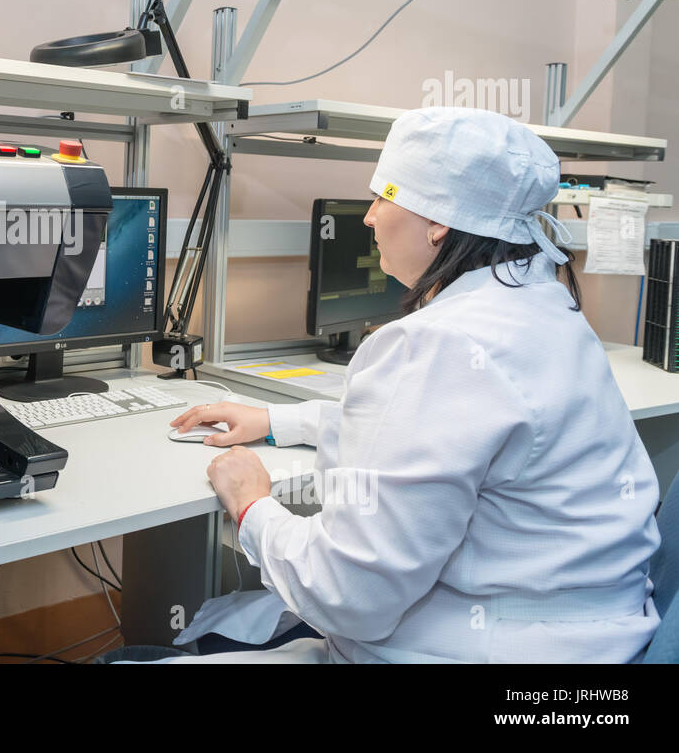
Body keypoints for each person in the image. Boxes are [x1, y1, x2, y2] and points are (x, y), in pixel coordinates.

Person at [169, 107, 661, 663]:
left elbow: (347, 597)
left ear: (439, 221)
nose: (370, 218)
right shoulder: (543, 307)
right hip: (597, 648)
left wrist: (251, 504)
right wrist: (281, 420)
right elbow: (450, 440)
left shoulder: (440, 343)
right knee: (240, 625)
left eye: (383, 198)